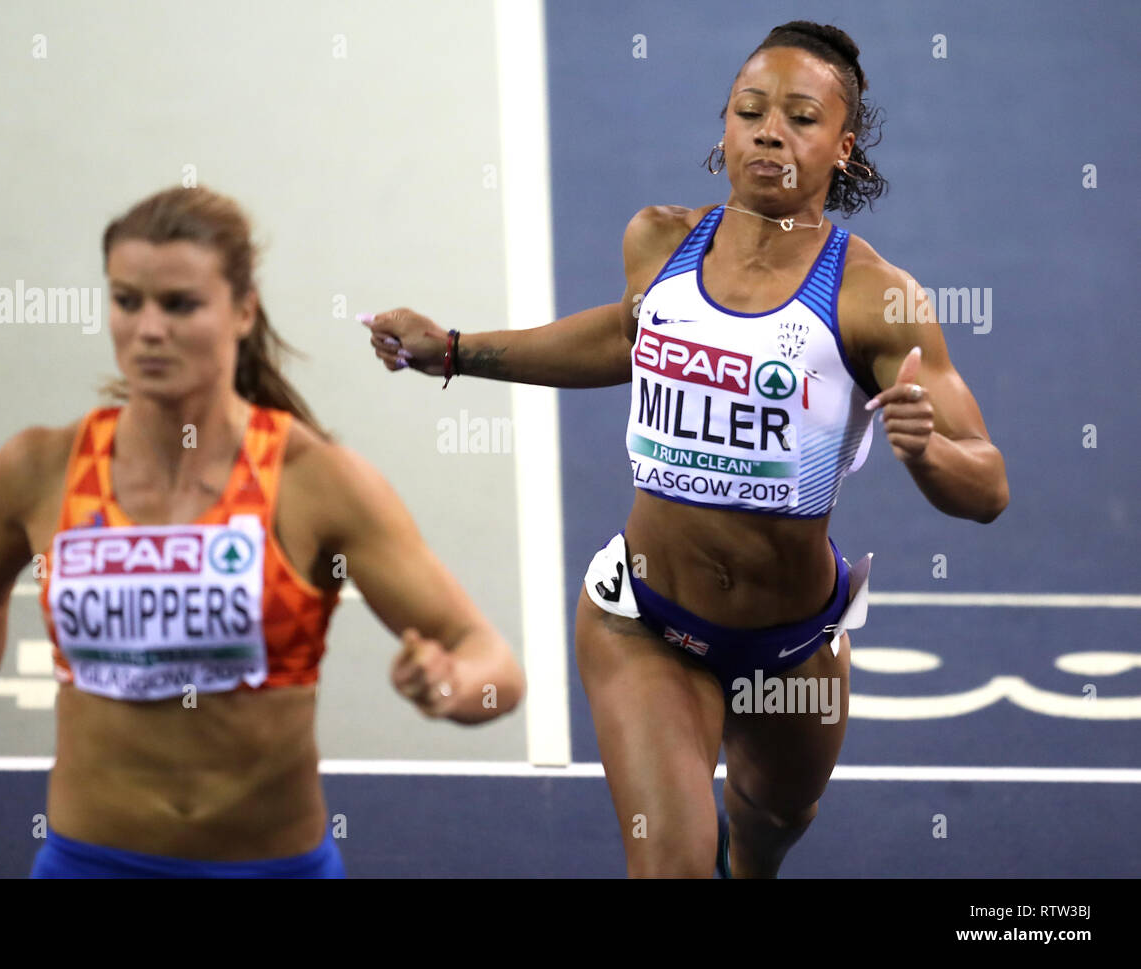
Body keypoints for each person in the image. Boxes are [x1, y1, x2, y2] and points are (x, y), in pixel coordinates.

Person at [359, 21, 1008, 877]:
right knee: (671, 864)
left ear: (842, 148)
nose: (770, 131)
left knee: (776, 818)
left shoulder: (875, 298)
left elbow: (987, 484)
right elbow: (619, 340)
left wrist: (928, 457)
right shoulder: (661, 241)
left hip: (794, 644)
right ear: (726, 127)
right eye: (750, 111)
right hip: (646, 625)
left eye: (801, 118)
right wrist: (453, 349)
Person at [0, 186, 525, 879]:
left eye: (179, 304)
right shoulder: (41, 468)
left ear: (242, 311)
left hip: (272, 869)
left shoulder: (315, 481)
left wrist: (453, 683)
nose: (147, 329)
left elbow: (493, 661)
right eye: (126, 300)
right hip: (88, 862)